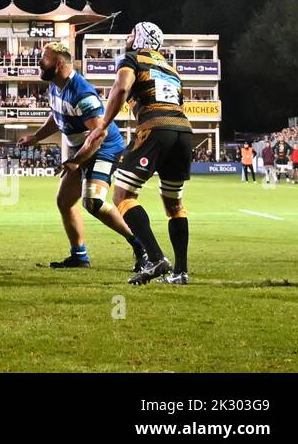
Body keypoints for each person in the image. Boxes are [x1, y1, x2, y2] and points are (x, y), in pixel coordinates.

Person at [16, 42, 146, 270]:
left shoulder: (82, 92)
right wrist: (36, 137)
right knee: (64, 201)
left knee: (93, 202)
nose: (39, 61)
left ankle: (142, 245)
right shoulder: (56, 86)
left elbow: (99, 134)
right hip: (84, 149)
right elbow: (57, 116)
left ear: (58, 64)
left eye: (44, 58)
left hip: (104, 147)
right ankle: (79, 255)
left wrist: (76, 161)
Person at [104, 22, 194, 286]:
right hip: (183, 131)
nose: (128, 37)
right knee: (174, 203)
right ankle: (181, 272)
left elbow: (121, 88)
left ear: (141, 37)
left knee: (122, 195)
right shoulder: (171, 69)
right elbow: (178, 102)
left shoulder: (131, 58)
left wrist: (103, 124)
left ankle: (155, 258)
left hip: (155, 128)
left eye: (132, 33)